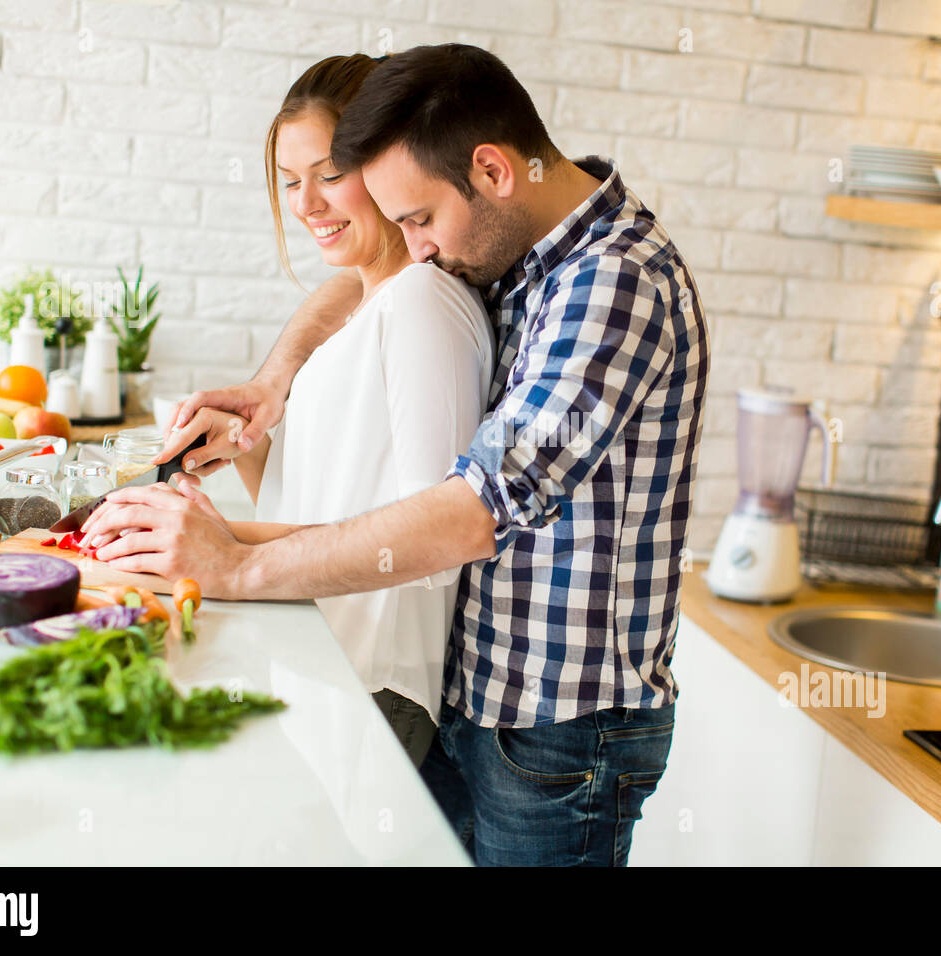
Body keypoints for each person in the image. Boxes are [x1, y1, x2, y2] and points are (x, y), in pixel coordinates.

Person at [81, 43, 709, 867]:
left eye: (417, 217)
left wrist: (230, 562)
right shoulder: (525, 247)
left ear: (491, 171)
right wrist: (270, 396)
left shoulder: (611, 283)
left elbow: (465, 514)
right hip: (483, 698)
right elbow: (368, 284)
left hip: (559, 722)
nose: (416, 245)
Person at [128, 53, 495, 765]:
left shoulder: (423, 305)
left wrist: (220, 544)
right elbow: (315, 502)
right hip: (318, 655)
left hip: (374, 681)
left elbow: (429, 551)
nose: (306, 204)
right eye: (291, 182)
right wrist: (247, 446)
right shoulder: (366, 309)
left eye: (329, 174)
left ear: (389, 164)